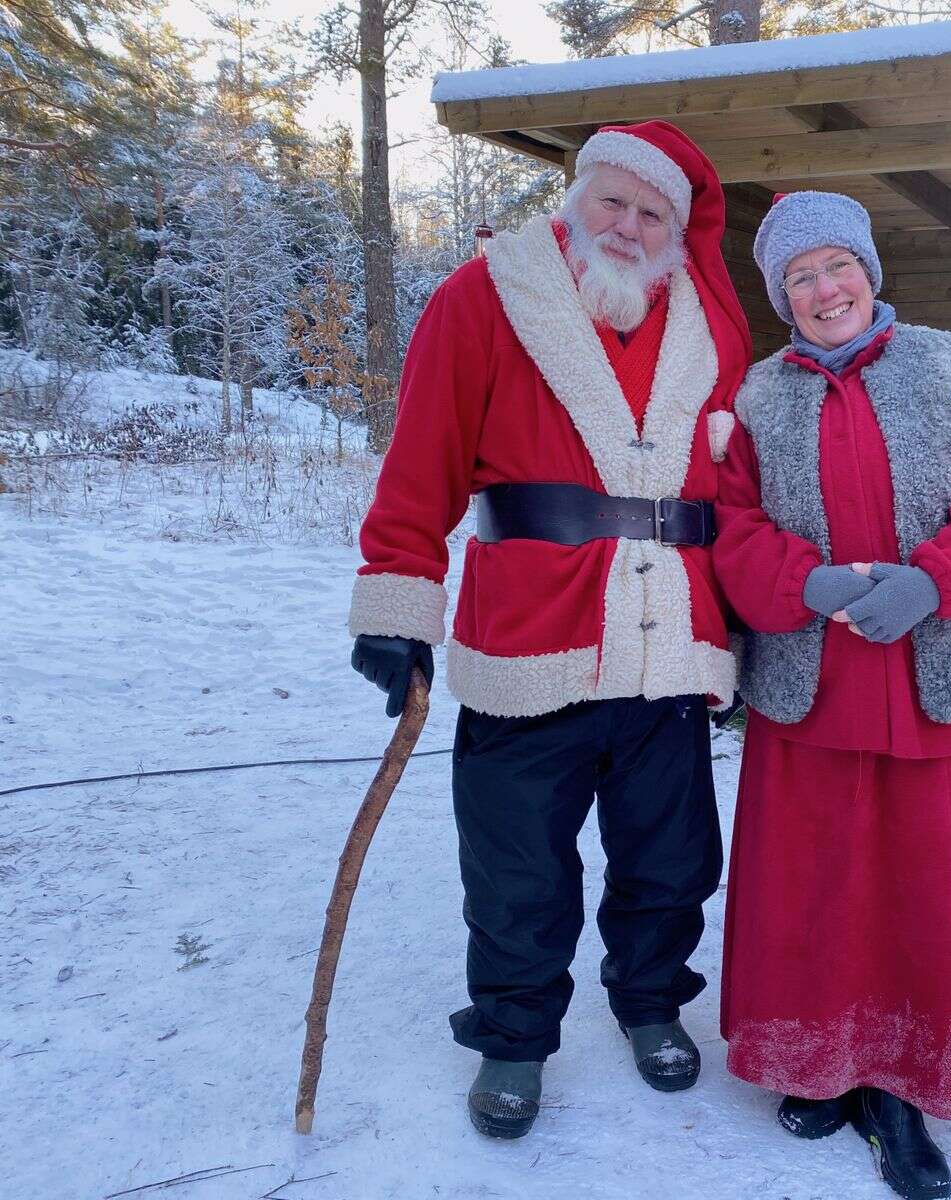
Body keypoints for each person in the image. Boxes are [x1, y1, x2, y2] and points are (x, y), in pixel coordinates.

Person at [345, 121, 751, 1139]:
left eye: (651, 212)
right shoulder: (482, 298)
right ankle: (513, 1039)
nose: (627, 224)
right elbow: (422, 460)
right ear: (576, 200)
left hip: (668, 638)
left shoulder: (710, 326)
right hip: (529, 637)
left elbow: (741, 490)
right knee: (517, 866)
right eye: (611, 200)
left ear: (675, 231)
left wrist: (758, 614)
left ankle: (651, 1001)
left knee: (671, 857)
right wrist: (398, 598)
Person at [713, 191, 951, 1200]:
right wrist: (798, 581)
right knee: (814, 885)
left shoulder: (950, 364)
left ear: (868, 270)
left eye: (835, 267)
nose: (823, 290)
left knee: (919, 887)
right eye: (799, 278)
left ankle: (900, 1086)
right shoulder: (759, 395)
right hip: (811, 685)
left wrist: (934, 580)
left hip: (936, 678)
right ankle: (822, 1063)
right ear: (781, 298)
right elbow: (727, 522)